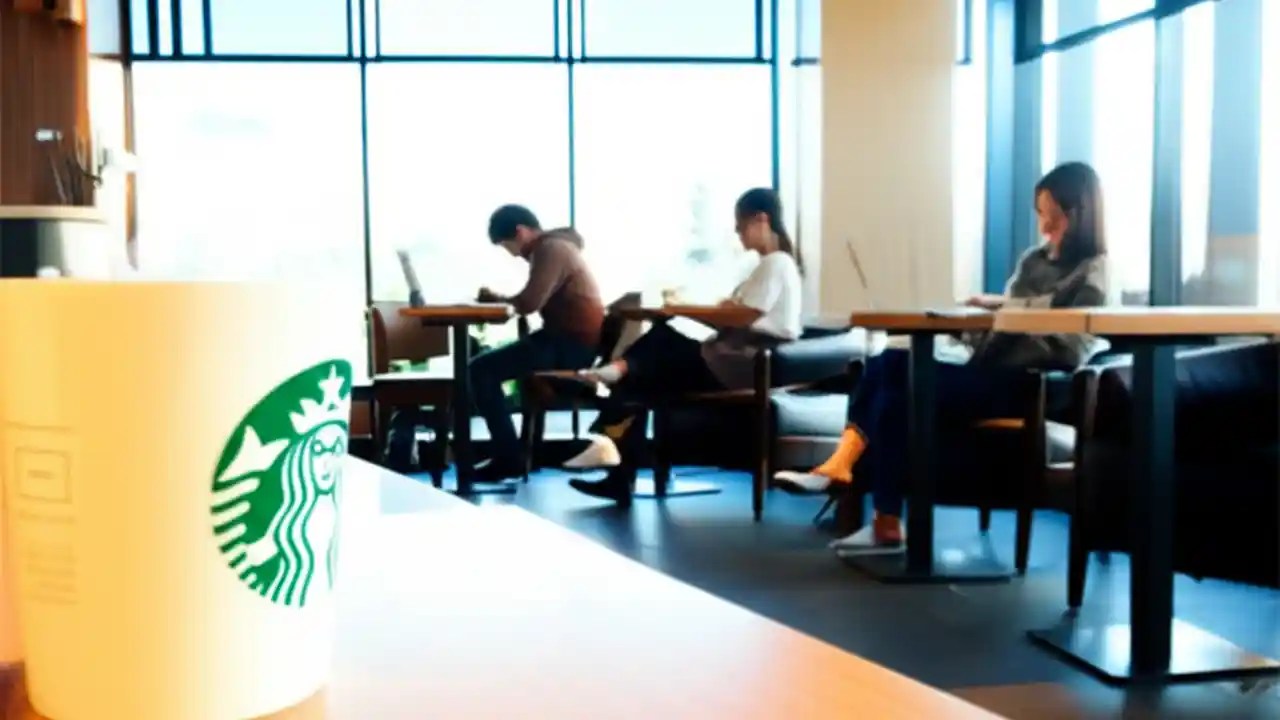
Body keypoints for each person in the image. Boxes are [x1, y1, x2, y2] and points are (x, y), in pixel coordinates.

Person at [773, 161, 1111, 546]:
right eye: (1041, 214)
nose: (1045, 227)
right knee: (889, 378)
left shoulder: (1093, 272)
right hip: (989, 369)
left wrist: (1014, 314)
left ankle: (844, 475)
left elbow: (1072, 347)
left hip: (1029, 383)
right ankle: (880, 514)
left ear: (1078, 214)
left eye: (1053, 216)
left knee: (895, 374)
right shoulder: (1033, 260)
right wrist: (986, 320)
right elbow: (1014, 318)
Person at [564, 187, 804, 506]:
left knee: (663, 338)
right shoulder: (773, 265)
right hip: (736, 358)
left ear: (761, 219)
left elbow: (745, 315)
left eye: (740, 224)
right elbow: (740, 316)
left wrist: (685, 308)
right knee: (641, 378)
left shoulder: (776, 263)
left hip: (740, 364)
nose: (737, 232)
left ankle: (610, 421)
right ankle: (616, 461)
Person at [469, 204, 605, 482]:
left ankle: (508, 458)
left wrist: (497, 299)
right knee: (484, 367)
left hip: (568, 346)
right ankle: (510, 454)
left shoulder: (551, 249)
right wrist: (500, 299)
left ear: (520, 232)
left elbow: (529, 303)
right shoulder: (559, 247)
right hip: (568, 341)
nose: (510, 253)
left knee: (479, 370)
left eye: (507, 245)